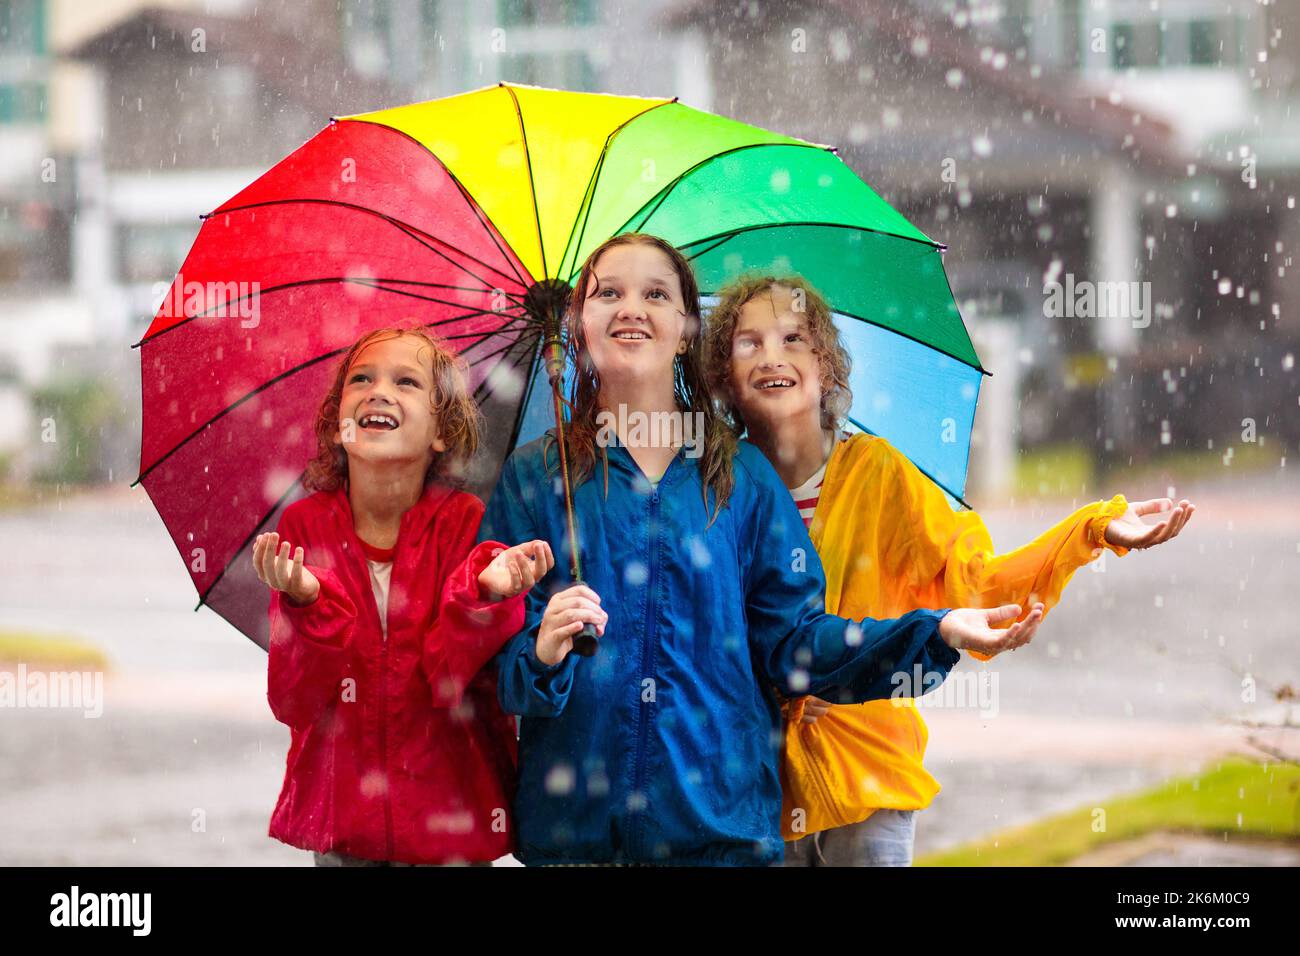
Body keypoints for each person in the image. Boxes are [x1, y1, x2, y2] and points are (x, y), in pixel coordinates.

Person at [478, 234, 1044, 866]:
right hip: (573, 843)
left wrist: (934, 629)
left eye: (655, 293)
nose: (630, 307)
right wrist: (542, 652)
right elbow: (491, 668)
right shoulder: (533, 480)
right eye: (608, 292)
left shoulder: (743, 479)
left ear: (687, 330)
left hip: (721, 841)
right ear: (580, 325)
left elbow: (798, 647)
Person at [702, 274, 1195, 866]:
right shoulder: (713, 489)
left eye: (792, 338)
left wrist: (1092, 530)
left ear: (827, 365)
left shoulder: (880, 476)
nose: (771, 357)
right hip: (754, 789)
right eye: (749, 342)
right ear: (723, 375)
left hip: (868, 781)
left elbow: (978, 582)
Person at [254, 324, 554, 865]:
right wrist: (306, 602)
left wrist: (484, 593)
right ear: (338, 421)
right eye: (361, 378)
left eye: (407, 383)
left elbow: (446, 678)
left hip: (450, 825)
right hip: (346, 833)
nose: (379, 391)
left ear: (441, 431)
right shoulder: (304, 527)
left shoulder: (465, 525)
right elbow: (291, 700)